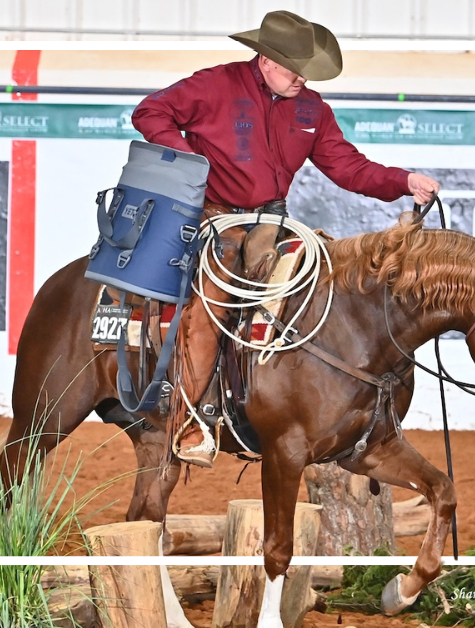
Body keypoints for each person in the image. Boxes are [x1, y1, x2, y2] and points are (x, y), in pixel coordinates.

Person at [132, 9, 440, 468]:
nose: (302, 79)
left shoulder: (312, 109)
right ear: (265, 60)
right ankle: (189, 418)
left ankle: (290, 404)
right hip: (215, 219)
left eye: (307, 71)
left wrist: (403, 180)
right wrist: (189, 159)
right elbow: (149, 111)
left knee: (326, 289)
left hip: (275, 224)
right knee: (213, 302)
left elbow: (348, 168)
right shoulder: (214, 85)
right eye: (294, 68)